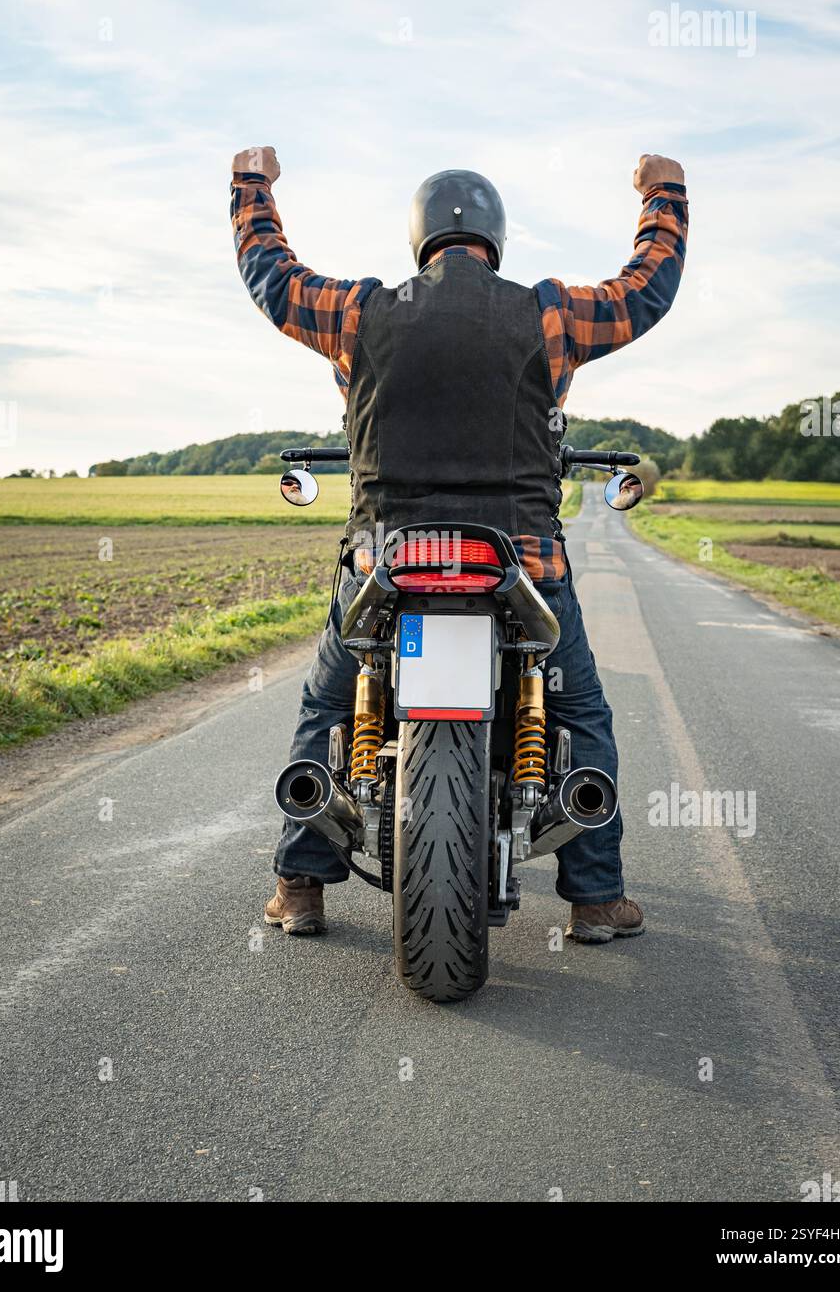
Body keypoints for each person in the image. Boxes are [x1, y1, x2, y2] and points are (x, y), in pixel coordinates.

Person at [231, 147, 688, 942]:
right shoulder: (547, 314)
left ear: (419, 239)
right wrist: (662, 193)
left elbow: (270, 273)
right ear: (494, 238)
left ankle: (300, 886)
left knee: (328, 706)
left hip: (386, 559)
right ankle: (593, 899)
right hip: (522, 564)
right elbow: (644, 289)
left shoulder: (358, 313)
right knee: (580, 712)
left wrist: (252, 186)